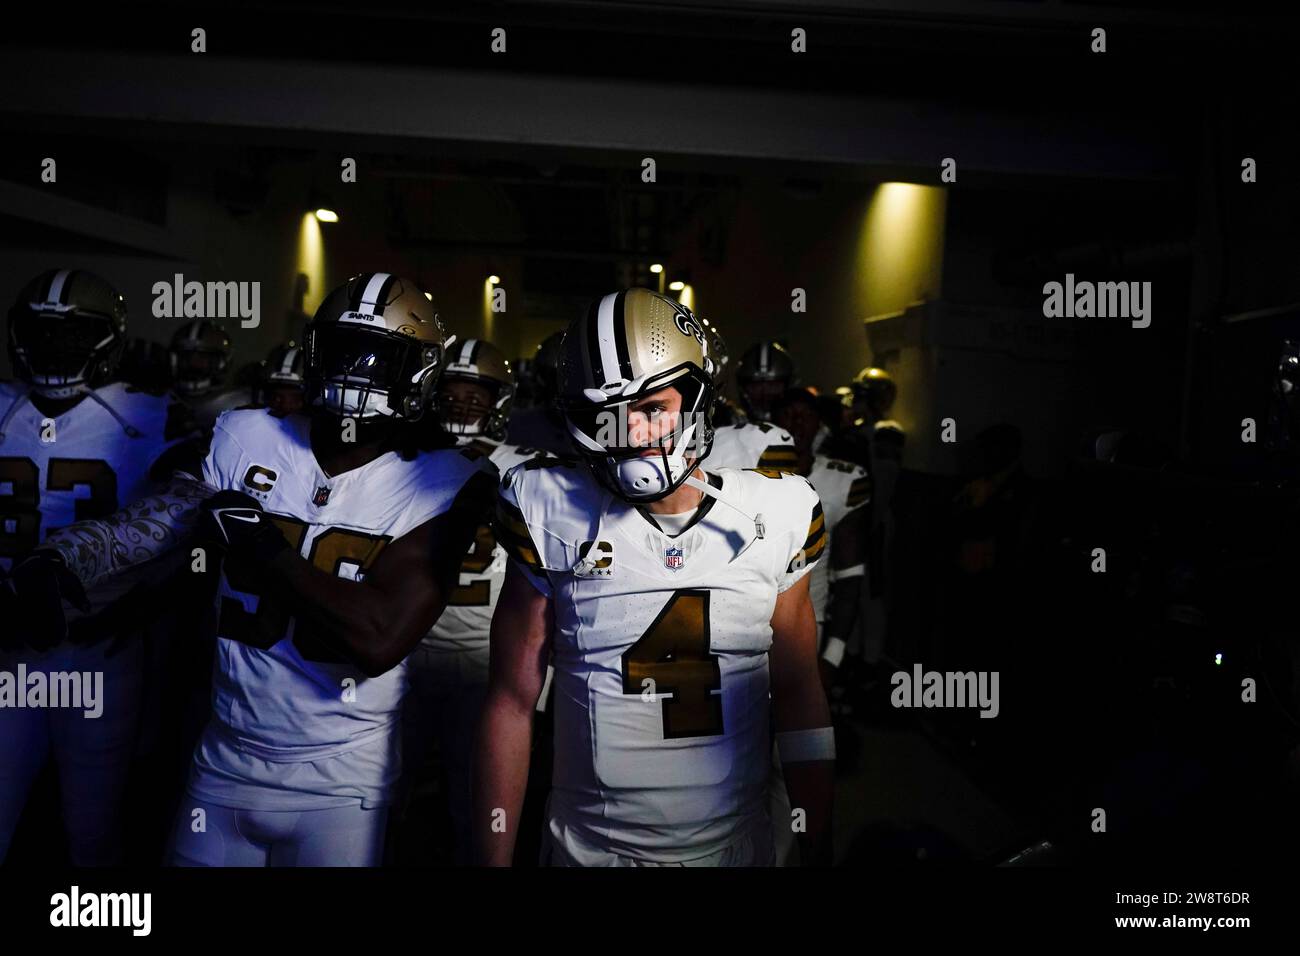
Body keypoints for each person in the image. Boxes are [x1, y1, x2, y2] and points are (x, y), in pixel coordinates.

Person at [7, 272, 495, 866]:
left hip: (340, 779)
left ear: (417, 372)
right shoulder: (249, 432)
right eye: (344, 352)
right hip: (223, 757)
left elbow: (378, 638)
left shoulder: (447, 480)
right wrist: (71, 556)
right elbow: (171, 514)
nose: (355, 372)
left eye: (379, 359)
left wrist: (262, 546)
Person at [474, 287, 834, 867]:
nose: (635, 434)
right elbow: (513, 702)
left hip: (732, 848)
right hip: (589, 849)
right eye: (608, 416)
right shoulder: (546, 505)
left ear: (697, 394)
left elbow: (797, 692)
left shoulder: (779, 513)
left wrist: (818, 842)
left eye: (652, 407)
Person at [0, 268, 195, 865]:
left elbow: (194, 518)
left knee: (93, 827)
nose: (57, 347)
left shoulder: (153, 414)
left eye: (73, 334)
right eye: (44, 333)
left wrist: (151, 601)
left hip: (100, 647)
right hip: (9, 644)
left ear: (109, 340)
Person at [397, 337, 548, 864]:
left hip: (485, 659)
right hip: (403, 651)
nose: (462, 404)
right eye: (452, 392)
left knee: (478, 800)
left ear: (499, 401)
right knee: (383, 792)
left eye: (475, 394)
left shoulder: (528, 469)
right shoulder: (404, 457)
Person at [735, 339, 796, 424]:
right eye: (756, 386)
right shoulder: (727, 426)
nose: (765, 393)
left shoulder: (802, 427)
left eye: (773, 385)